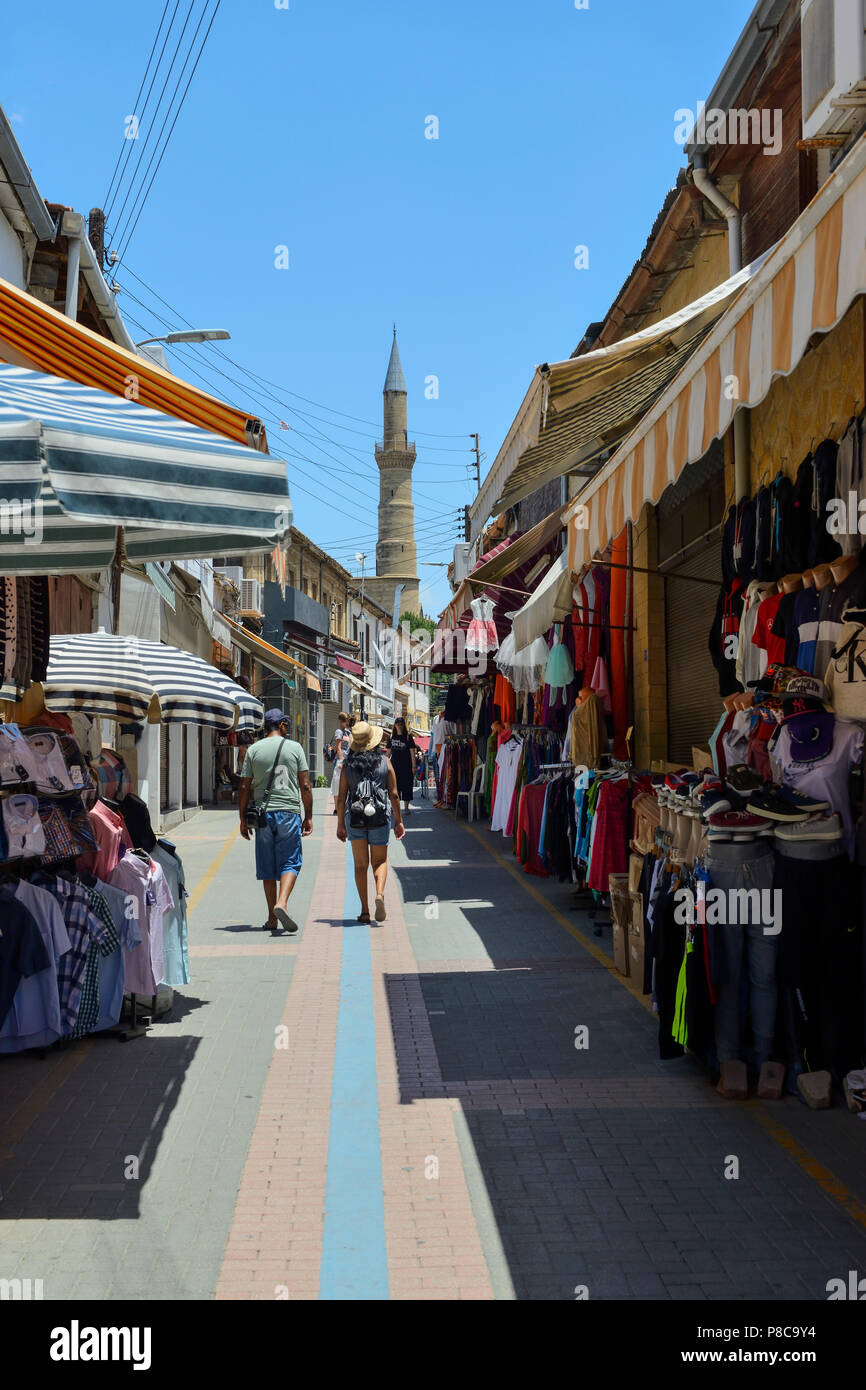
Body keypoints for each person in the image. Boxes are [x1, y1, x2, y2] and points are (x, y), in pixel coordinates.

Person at [238, 708, 313, 934]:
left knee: (267, 868)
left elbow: (244, 786)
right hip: (289, 813)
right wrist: (308, 816)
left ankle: (272, 918)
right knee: (290, 861)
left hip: (262, 816)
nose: (287, 728)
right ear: (280, 725)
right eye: (286, 724)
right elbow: (306, 785)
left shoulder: (253, 750)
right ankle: (282, 902)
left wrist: (242, 819)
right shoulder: (295, 748)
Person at [336, 720, 404, 923]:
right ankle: (380, 895)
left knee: (360, 865)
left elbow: (341, 798)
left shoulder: (348, 764)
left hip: (354, 817)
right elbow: (394, 794)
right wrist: (399, 821)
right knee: (379, 861)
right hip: (379, 817)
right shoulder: (384, 761)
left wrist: (340, 824)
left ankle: (365, 911)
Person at [388, 716, 418, 818]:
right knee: (395, 788)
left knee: (407, 787)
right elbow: (388, 753)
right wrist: (385, 765)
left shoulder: (408, 737)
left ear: (403, 725)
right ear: (395, 725)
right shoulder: (391, 737)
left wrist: (414, 766)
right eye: (398, 724)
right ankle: (395, 807)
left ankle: (406, 807)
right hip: (394, 767)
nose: (399, 726)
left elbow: (412, 753)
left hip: (406, 767)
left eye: (401, 724)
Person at [329, 710, 351, 815]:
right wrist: (341, 761)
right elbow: (338, 748)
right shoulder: (339, 732)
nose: (347, 723)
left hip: (347, 761)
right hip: (340, 761)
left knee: (345, 784)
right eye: (345, 721)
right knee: (337, 784)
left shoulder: (348, 732)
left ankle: (343, 806)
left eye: (348, 721)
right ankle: (336, 808)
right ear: (341, 721)